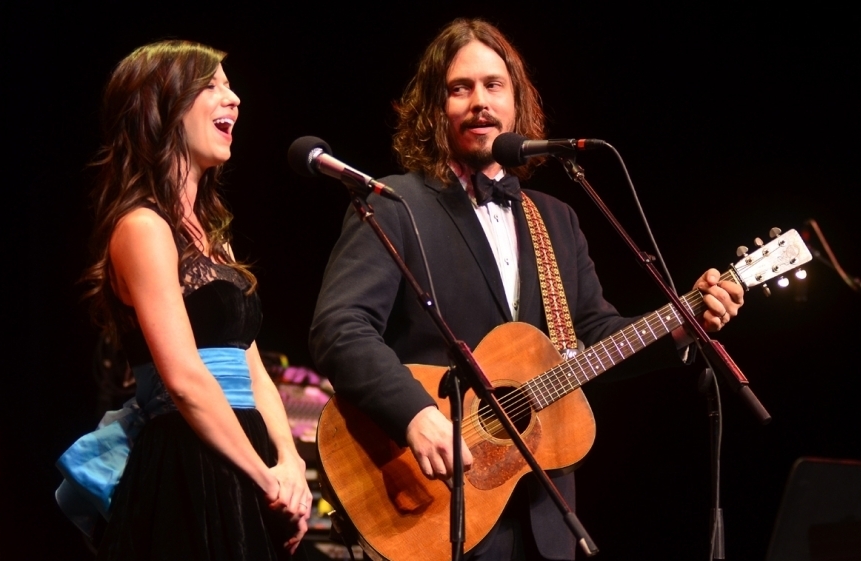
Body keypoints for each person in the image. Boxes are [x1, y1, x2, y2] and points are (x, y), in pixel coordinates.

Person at [309, 18, 744, 561]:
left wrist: (682, 323)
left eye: (494, 86)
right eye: (460, 88)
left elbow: (594, 335)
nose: (480, 102)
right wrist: (415, 413)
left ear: (517, 103)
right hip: (434, 503)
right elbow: (340, 328)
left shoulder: (556, 219)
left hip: (545, 516)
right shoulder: (394, 205)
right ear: (433, 109)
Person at [56, 40, 310, 560]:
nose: (233, 98)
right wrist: (264, 476)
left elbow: (253, 370)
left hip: (248, 458)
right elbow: (185, 379)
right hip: (191, 463)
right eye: (211, 86)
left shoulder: (215, 239)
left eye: (229, 86)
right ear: (163, 109)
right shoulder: (142, 228)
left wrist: (289, 463)